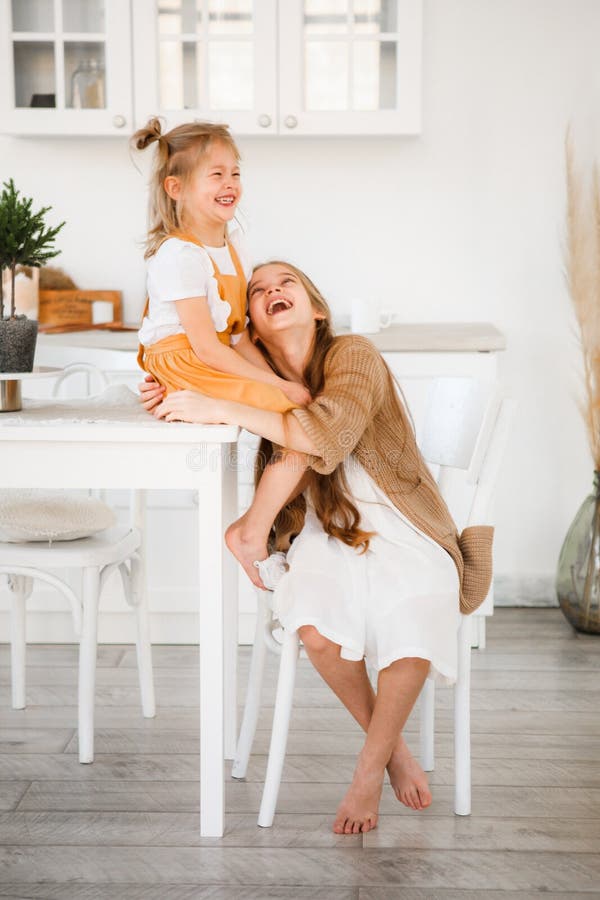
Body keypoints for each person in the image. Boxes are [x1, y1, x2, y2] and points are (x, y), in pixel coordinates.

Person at [140, 261, 493, 835]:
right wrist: (172, 387)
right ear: (251, 328)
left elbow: (322, 432)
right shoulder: (258, 380)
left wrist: (222, 406)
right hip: (323, 528)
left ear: (317, 308)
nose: (272, 291)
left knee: (415, 611)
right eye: (257, 292)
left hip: (400, 518)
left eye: (287, 284)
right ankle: (396, 752)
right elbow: (196, 380)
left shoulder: (354, 353)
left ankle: (365, 773)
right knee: (317, 629)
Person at [132, 119, 311, 587]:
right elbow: (207, 347)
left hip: (207, 356)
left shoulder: (232, 248)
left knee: (301, 412)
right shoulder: (179, 255)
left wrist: (284, 380)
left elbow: (237, 338)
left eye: (235, 173)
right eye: (216, 174)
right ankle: (254, 533)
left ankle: (278, 527)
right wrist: (277, 385)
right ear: (176, 188)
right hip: (184, 360)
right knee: (296, 415)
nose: (230, 183)